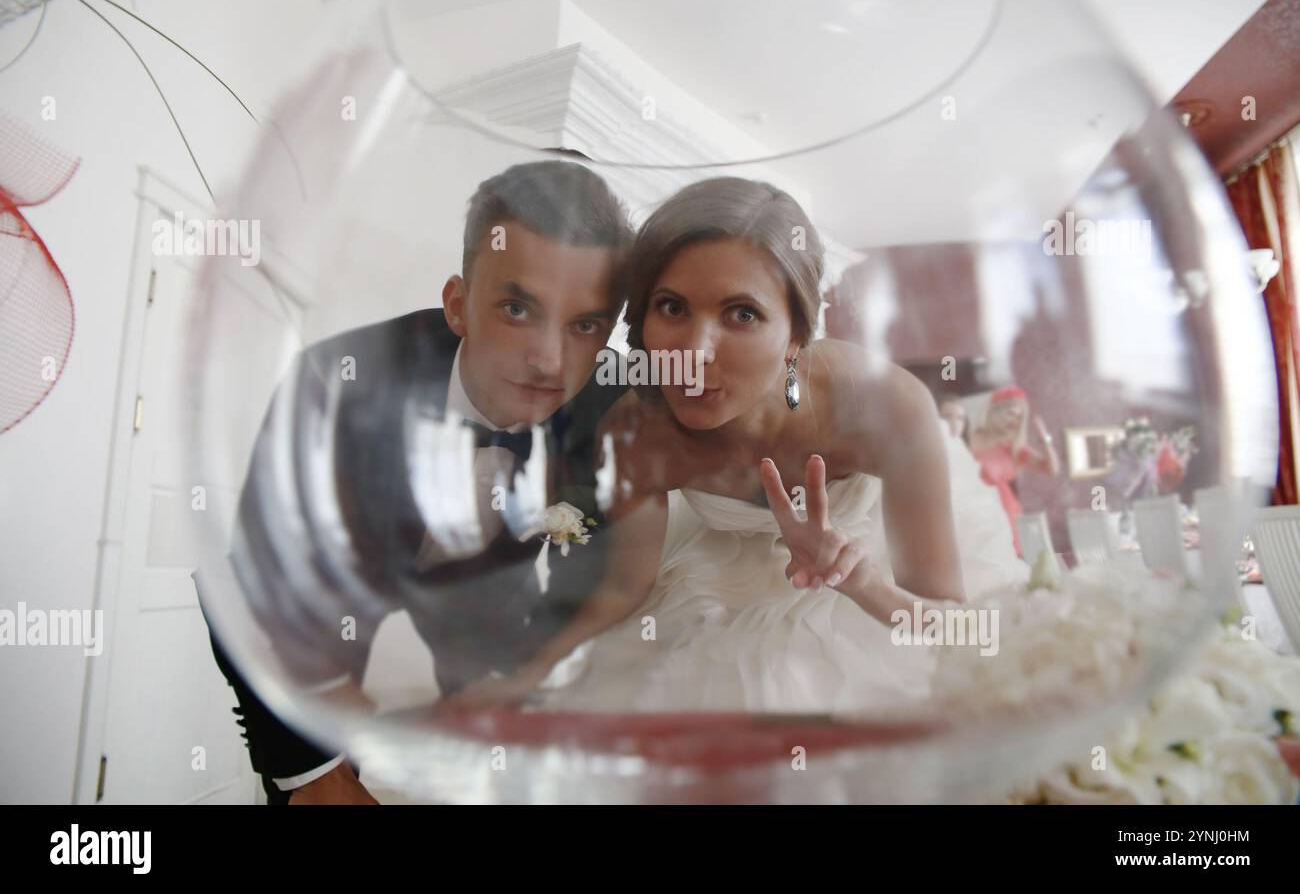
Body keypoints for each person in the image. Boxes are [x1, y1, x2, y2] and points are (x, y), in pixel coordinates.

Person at [440, 177, 1027, 715]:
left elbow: (960, 631)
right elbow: (624, 586)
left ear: (796, 334)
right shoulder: (636, 431)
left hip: (876, 577)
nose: (695, 351)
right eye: (671, 308)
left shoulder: (884, 408)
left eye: (742, 314)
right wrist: (526, 673)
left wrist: (860, 581)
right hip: (718, 578)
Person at [204, 159, 633, 801]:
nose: (550, 360)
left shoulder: (610, 397)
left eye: (586, 324)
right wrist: (312, 779)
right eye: (518, 308)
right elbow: (247, 589)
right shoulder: (333, 388)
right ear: (458, 304)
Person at [969, 385, 1060, 556]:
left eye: (1019, 417)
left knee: (1006, 559)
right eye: (1011, 413)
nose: (1015, 420)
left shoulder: (1015, 448)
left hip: (1005, 512)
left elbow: (1051, 469)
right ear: (995, 411)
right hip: (976, 508)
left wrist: (1045, 438)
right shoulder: (973, 438)